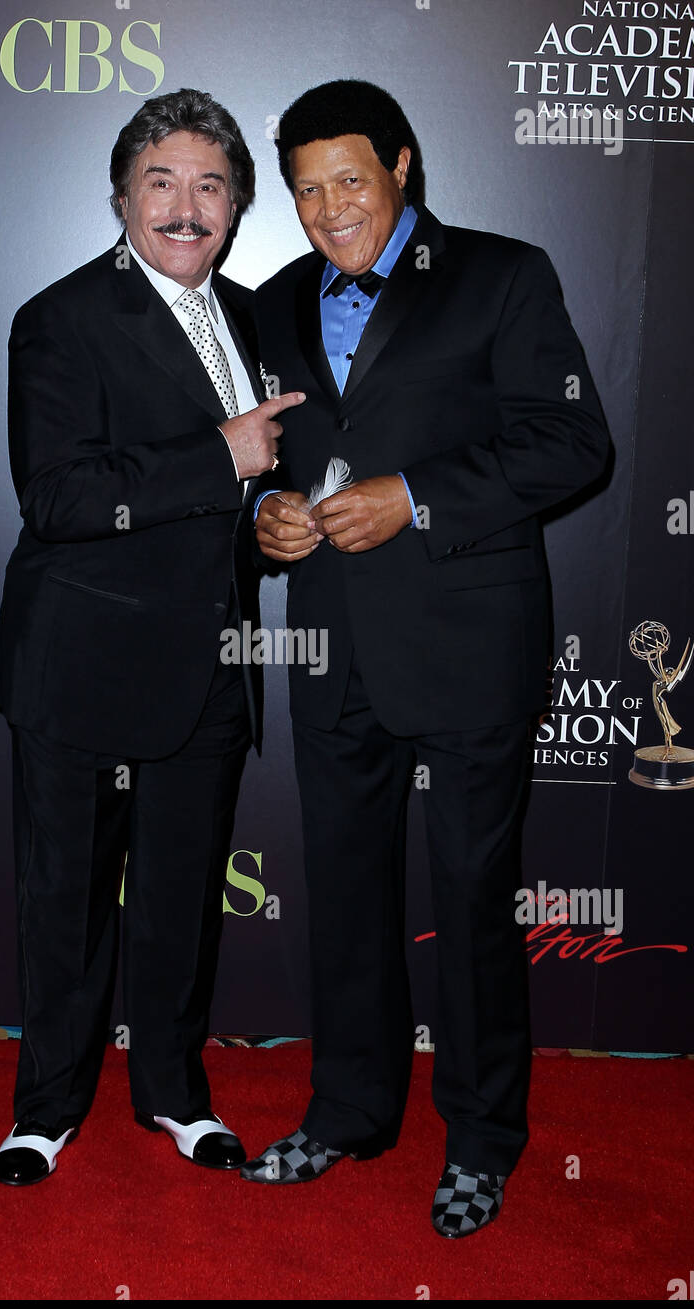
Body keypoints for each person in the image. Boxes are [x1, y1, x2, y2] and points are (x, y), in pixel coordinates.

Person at [240, 79, 610, 1236]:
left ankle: (485, 1137)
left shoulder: (505, 273)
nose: (329, 207)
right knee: (346, 899)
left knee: (473, 901)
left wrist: (421, 497)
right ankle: (351, 1109)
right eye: (306, 189)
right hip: (333, 645)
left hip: (466, 645)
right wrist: (268, 519)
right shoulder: (277, 302)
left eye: (349, 179)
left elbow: (573, 440)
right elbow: (267, 460)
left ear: (403, 166)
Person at [0, 88, 303, 1186]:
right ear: (121, 196)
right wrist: (221, 457)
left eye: (210, 185)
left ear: (236, 205)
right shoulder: (62, 318)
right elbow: (61, 497)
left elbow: (253, 491)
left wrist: (274, 525)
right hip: (81, 665)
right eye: (161, 182)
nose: (186, 205)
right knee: (67, 907)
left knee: (180, 904)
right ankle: (44, 1110)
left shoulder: (258, 316)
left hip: (211, 668)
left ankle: (174, 1093)